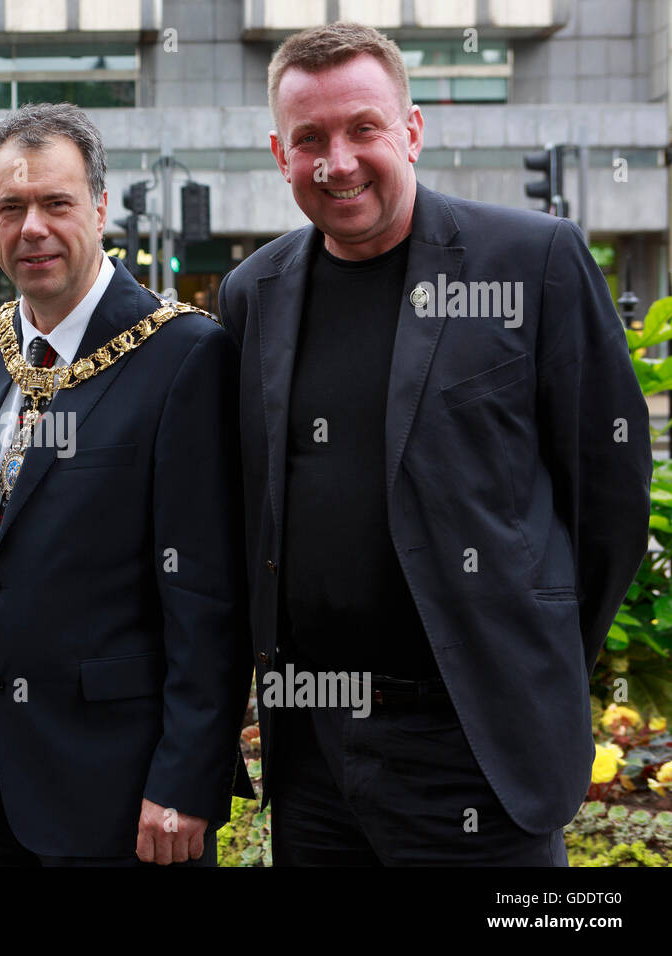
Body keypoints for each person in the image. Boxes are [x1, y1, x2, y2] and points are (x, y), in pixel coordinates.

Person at [217, 22, 652, 865]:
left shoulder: (535, 263)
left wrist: (529, 648)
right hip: (313, 755)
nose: (336, 161)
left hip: (478, 747)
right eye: (310, 139)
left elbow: (610, 498)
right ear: (280, 153)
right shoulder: (252, 293)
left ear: (411, 131)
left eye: (363, 130)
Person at [0, 103, 251, 866]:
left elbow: (208, 599)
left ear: (100, 208)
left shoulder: (184, 354)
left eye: (56, 203)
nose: (32, 227)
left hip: (125, 798)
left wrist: (186, 779)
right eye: (11, 207)